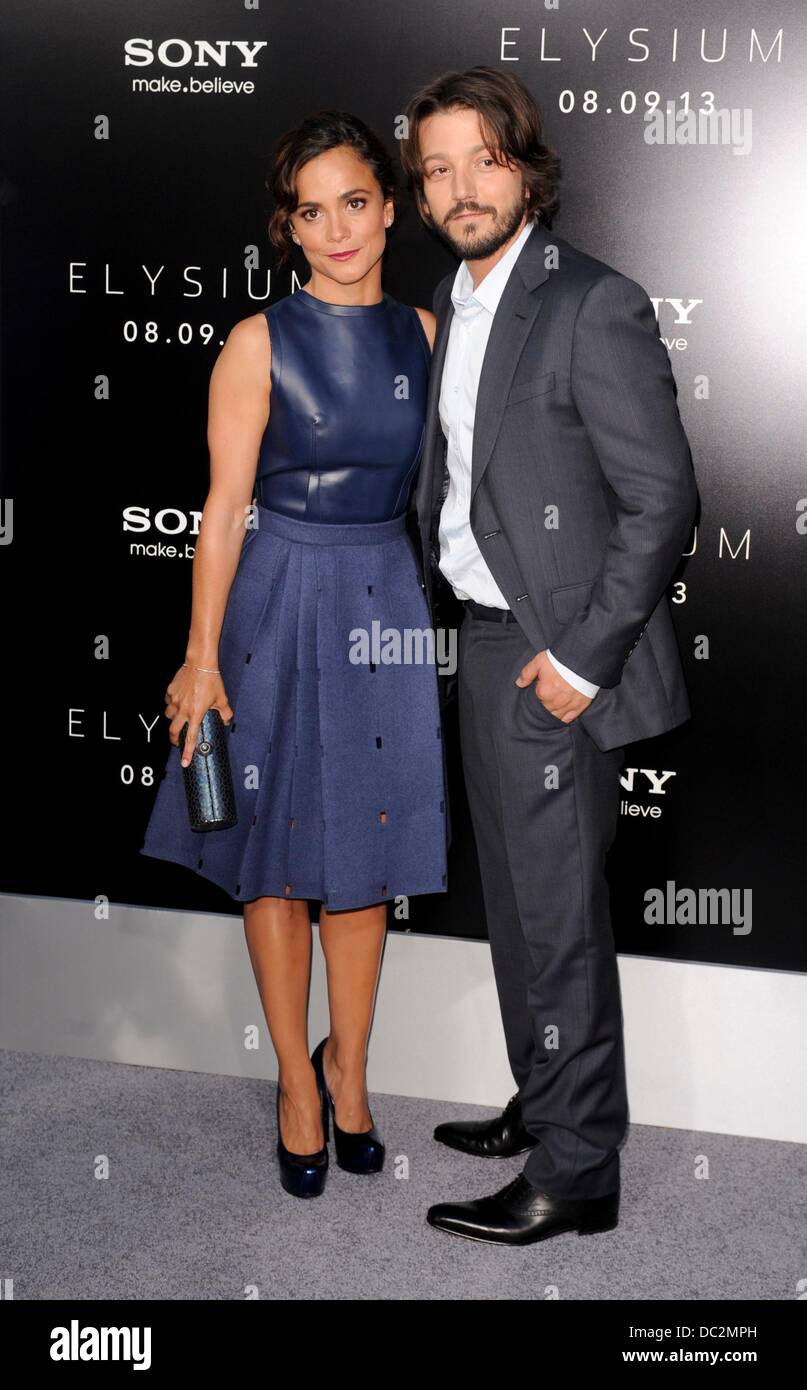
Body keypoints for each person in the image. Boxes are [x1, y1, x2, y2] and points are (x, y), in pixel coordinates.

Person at [401, 66, 698, 1245]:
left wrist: (579, 661)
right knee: (521, 909)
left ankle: (578, 1168)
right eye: (436, 168)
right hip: (481, 640)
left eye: (484, 159)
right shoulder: (457, 293)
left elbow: (662, 500)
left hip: (554, 658)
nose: (462, 186)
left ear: (527, 167)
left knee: (559, 914)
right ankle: (549, 1092)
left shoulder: (592, 302)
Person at [140, 110, 449, 1199]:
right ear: (292, 229)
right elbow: (221, 512)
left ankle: (351, 1071)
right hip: (278, 595)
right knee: (270, 847)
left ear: (390, 204)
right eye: (312, 212)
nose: (338, 229)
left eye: (355, 202)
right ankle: (294, 1082)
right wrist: (201, 657)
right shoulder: (258, 341)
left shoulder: (423, 331)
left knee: (363, 854)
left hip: (385, 600)